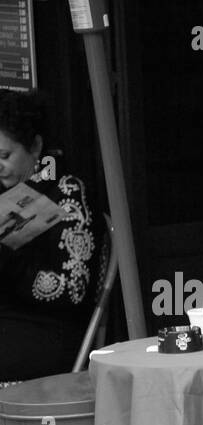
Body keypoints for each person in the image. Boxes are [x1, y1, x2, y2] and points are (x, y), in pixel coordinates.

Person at [0, 89, 105, 383]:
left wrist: (9, 260)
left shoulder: (65, 193)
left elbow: (73, 290)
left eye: (5, 156)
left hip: (45, 330)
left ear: (35, 146)